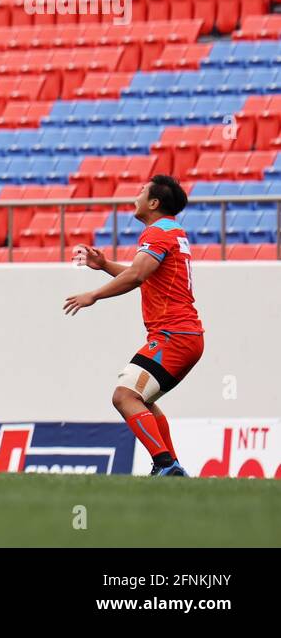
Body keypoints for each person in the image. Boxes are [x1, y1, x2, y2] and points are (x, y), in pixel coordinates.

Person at [65, 176, 203, 477]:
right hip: (183, 335)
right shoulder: (170, 231)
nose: (136, 195)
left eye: (142, 191)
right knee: (142, 399)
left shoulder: (157, 232)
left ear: (154, 203)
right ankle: (171, 467)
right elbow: (141, 273)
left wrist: (93, 295)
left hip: (174, 336)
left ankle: (165, 464)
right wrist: (104, 266)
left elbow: (137, 276)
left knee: (123, 396)